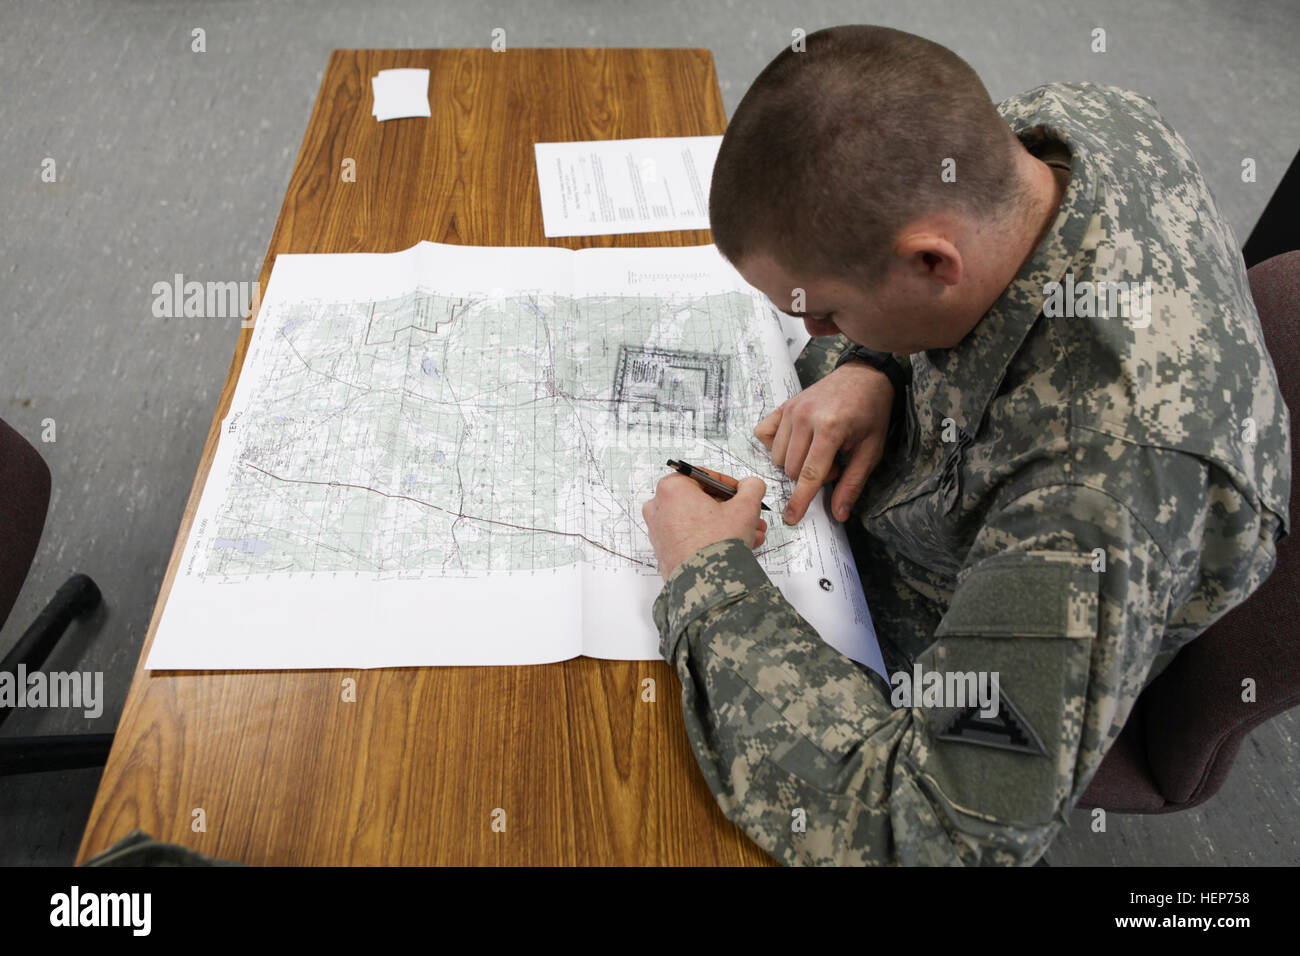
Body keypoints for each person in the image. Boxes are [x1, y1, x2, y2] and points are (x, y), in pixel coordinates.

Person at [640, 25, 1290, 865]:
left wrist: (709, 581)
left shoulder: (1098, 494)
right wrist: (869, 362)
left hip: (997, 607)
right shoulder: (1063, 127)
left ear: (932, 264)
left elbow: (938, 835)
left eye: (827, 311)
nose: (813, 334)